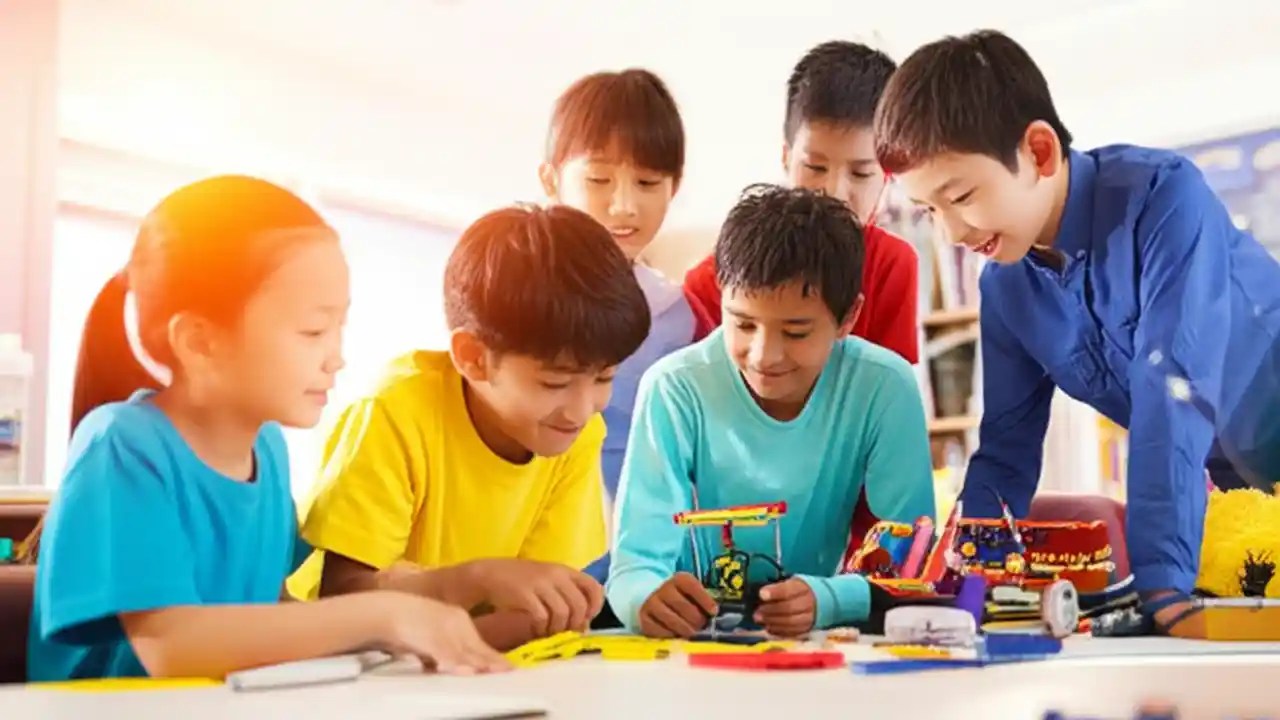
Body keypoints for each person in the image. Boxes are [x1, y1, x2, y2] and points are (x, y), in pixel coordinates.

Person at [873, 29, 1280, 638]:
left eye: (960, 197)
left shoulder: (1165, 196)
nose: (952, 233)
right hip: (1234, 498)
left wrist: (1162, 585)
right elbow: (1005, 451)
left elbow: (1175, 383)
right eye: (930, 211)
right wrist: (961, 585)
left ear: (1039, 152)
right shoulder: (1006, 287)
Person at [28, 176, 507, 681]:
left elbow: (270, 612)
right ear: (200, 341)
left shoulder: (268, 450)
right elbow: (171, 646)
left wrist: (398, 633)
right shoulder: (123, 447)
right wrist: (383, 614)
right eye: (313, 331)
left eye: (340, 327)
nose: (337, 357)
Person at [288, 204, 651, 650]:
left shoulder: (573, 431)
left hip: (462, 662)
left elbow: (544, 616)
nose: (581, 408)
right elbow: (342, 595)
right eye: (554, 382)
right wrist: (476, 580)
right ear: (474, 358)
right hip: (345, 664)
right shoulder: (394, 412)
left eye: (604, 378)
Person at [606, 184, 935, 638]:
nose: (764, 355)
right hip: (691, 641)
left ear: (848, 318)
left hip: (811, 641)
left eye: (796, 332)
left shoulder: (884, 387)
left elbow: (911, 557)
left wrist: (829, 598)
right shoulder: (673, 388)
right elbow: (634, 566)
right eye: (742, 323)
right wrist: (645, 598)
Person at [538, 68, 696, 587]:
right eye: (599, 180)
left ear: (675, 187)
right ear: (551, 181)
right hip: (528, 544)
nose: (624, 205)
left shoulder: (676, 314)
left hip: (637, 557)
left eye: (647, 183)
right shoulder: (522, 298)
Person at [682, 40, 919, 365]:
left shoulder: (892, 264)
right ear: (786, 157)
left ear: (888, 174)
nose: (834, 192)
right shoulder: (713, 282)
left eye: (861, 174)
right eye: (815, 167)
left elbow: (893, 392)